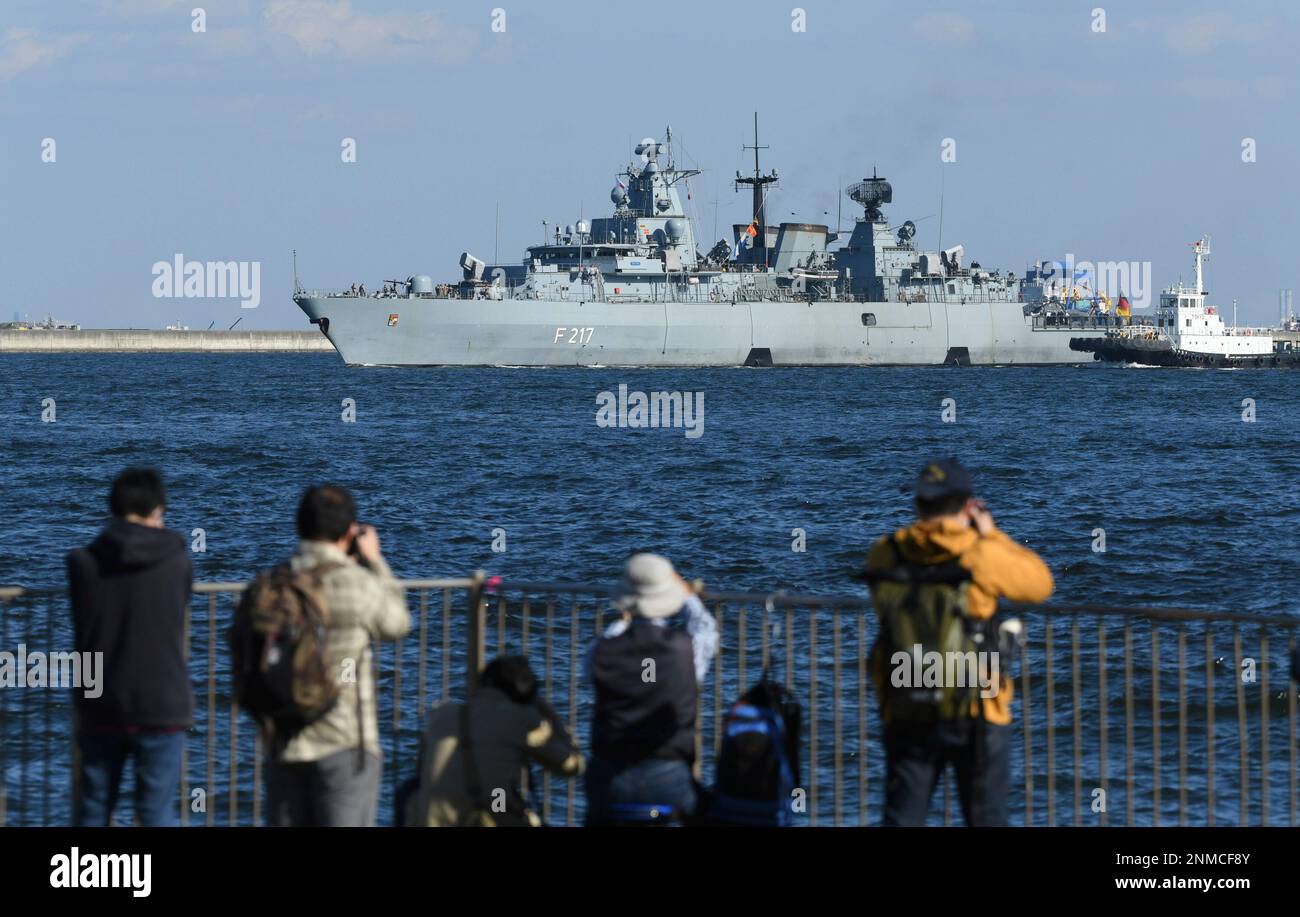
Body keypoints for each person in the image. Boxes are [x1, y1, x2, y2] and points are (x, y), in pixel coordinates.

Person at [860, 458, 1053, 827]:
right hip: (978, 707)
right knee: (986, 818)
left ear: (918, 504)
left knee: (902, 818)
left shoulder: (886, 552)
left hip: (906, 698)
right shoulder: (980, 553)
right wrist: (990, 533)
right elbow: (1040, 583)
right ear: (968, 506)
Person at [264, 485, 410, 827]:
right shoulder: (357, 583)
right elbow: (397, 623)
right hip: (344, 738)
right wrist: (375, 560)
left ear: (299, 528)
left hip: (285, 743)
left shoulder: (275, 583)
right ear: (349, 532)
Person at [67, 468, 193, 826]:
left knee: (93, 807)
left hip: (100, 700)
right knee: (156, 811)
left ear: (112, 508)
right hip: (162, 701)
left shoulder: (82, 563)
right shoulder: (177, 561)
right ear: (158, 509)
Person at [584, 552, 718, 825]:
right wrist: (687, 595)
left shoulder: (601, 650)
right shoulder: (686, 653)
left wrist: (626, 617)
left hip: (610, 775)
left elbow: (607, 639)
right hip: (668, 775)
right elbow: (706, 629)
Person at [404, 655, 582, 827]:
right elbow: (571, 765)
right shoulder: (521, 718)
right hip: (494, 805)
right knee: (501, 799)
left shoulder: (443, 714)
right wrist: (550, 715)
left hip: (431, 818)